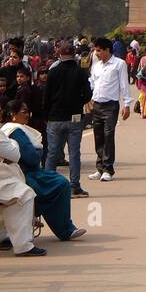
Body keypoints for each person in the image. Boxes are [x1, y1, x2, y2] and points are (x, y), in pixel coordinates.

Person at [3, 99, 86, 241]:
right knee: (61, 184)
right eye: (23, 112)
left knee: (55, 180)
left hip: (26, 172)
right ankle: (65, 229)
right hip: (26, 174)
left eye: (27, 111)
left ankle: (38, 215)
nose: (27, 115)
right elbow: (32, 158)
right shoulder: (16, 131)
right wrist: (39, 152)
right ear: (13, 114)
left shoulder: (13, 129)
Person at [0, 101, 43, 256]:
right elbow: (15, 154)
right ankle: (23, 246)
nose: (2, 113)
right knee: (24, 194)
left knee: (9, 190)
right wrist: (12, 143)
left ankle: (0, 235)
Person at [43, 39, 92, 198]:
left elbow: (47, 96)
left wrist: (47, 114)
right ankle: (74, 186)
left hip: (55, 117)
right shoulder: (80, 72)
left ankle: (49, 186)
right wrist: (78, 102)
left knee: (52, 153)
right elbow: (88, 94)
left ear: (59, 54)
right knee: (74, 153)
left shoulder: (53, 71)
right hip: (74, 117)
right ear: (74, 54)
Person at [88, 36, 132, 182]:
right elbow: (93, 83)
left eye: (99, 50)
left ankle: (108, 169)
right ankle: (99, 167)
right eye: (95, 50)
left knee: (108, 136)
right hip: (97, 104)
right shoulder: (96, 65)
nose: (96, 53)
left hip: (110, 106)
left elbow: (124, 85)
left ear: (107, 50)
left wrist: (127, 104)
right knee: (98, 136)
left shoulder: (119, 64)